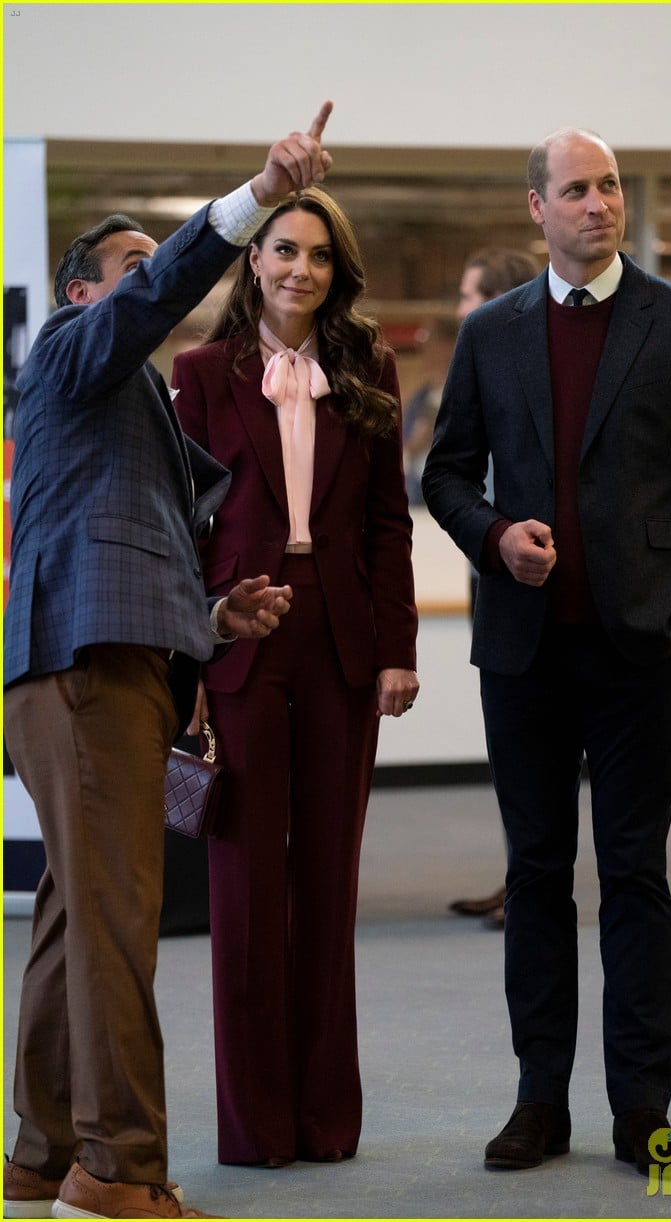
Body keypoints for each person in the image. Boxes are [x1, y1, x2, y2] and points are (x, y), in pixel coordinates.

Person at [2, 102, 334, 1221]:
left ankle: (42, 1152)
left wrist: (208, 610)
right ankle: (120, 1165)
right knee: (111, 920)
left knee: (70, 916)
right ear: (82, 293)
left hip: (109, 656)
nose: (151, 280)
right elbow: (154, 296)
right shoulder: (71, 349)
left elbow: (123, 529)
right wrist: (248, 203)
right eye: (130, 265)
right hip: (86, 663)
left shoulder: (119, 400)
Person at [422, 126, 671, 1177]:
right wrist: (492, 536)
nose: (598, 202)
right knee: (534, 874)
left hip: (638, 649)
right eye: (575, 188)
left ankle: (640, 1109)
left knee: (635, 876)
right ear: (537, 208)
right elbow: (446, 475)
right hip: (522, 651)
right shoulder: (492, 334)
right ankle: (537, 1101)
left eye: (607, 186)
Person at [170, 186, 419, 1169]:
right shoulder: (197, 372)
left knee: (325, 881)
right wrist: (190, 649)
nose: (299, 270)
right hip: (237, 636)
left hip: (341, 642)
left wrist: (398, 644)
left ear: (336, 270)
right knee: (242, 889)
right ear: (252, 260)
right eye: (283, 249)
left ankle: (325, 1120)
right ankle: (255, 1126)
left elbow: (388, 521)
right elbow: (182, 523)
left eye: (318, 255)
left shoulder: (370, 365)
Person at [446, 247, 541, 930]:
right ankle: (518, 876)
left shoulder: (520, 366)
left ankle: (528, 884)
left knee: (537, 749)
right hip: (491, 566)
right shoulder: (476, 361)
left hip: (532, 576)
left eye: (467, 293)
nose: (458, 308)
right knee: (509, 743)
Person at [402, 316, 459, 505]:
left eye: (431, 341)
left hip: (455, 495)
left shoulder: (468, 393)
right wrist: (413, 446)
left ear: (450, 345)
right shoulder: (420, 398)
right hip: (417, 495)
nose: (426, 351)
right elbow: (404, 452)